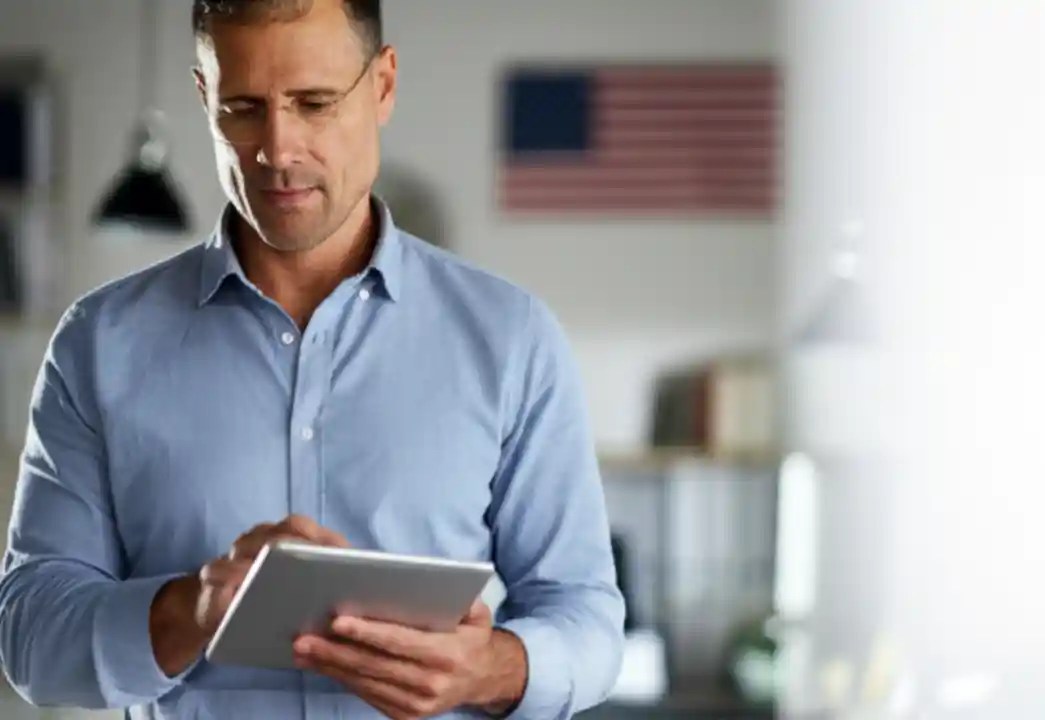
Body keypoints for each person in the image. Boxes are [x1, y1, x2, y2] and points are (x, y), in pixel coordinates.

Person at [0, 0, 625, 717]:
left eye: (315, 103)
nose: (277, 148)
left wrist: (490, 670)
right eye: (243, 107)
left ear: (384, 85)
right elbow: (29, 637)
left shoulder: (513, 340)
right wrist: (188, 611)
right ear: (204, 96)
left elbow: (587, 618)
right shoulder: (97, 345)